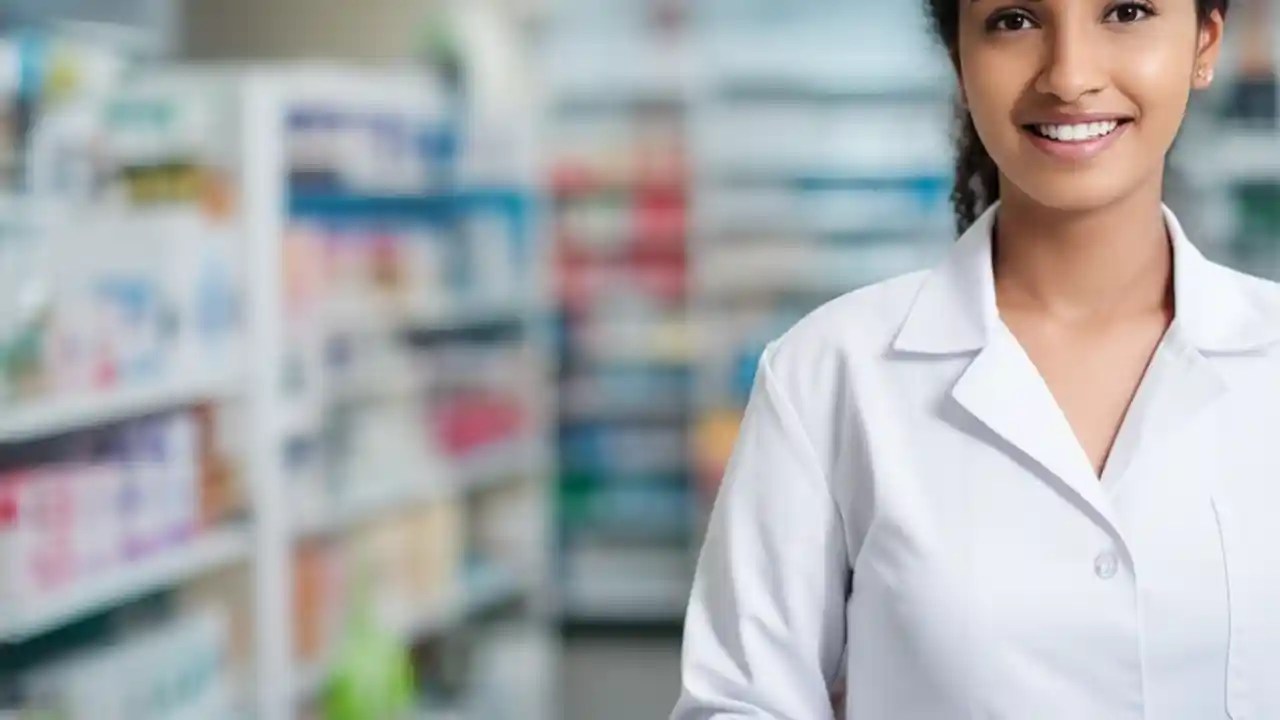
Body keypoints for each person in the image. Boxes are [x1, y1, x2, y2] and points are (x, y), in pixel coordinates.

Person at [670, 0, 1280, 718]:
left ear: (1205, 42)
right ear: (960, 58)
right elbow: (742, 701)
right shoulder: (830, 374)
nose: (1070, 76)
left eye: (1126, 11)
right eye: (1014, 20)